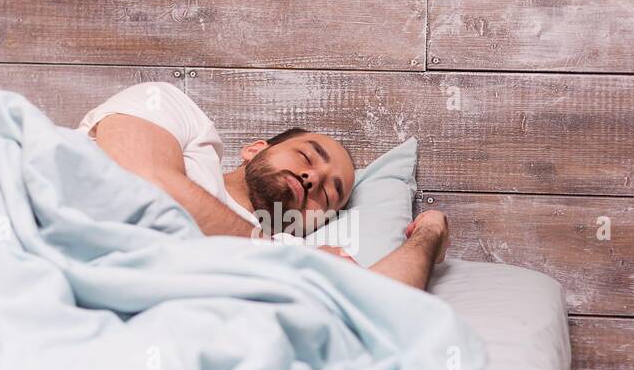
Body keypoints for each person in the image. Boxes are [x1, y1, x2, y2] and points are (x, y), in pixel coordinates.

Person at [80, 82, 450, 291]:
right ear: (255, 149)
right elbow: (143, 182)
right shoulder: (177, 114)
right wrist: (267, 253)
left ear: (317, 223)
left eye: (328, 194)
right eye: (306, 156)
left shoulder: (294, 250)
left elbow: (385, 301)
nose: (313, 178)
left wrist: (430, 232)